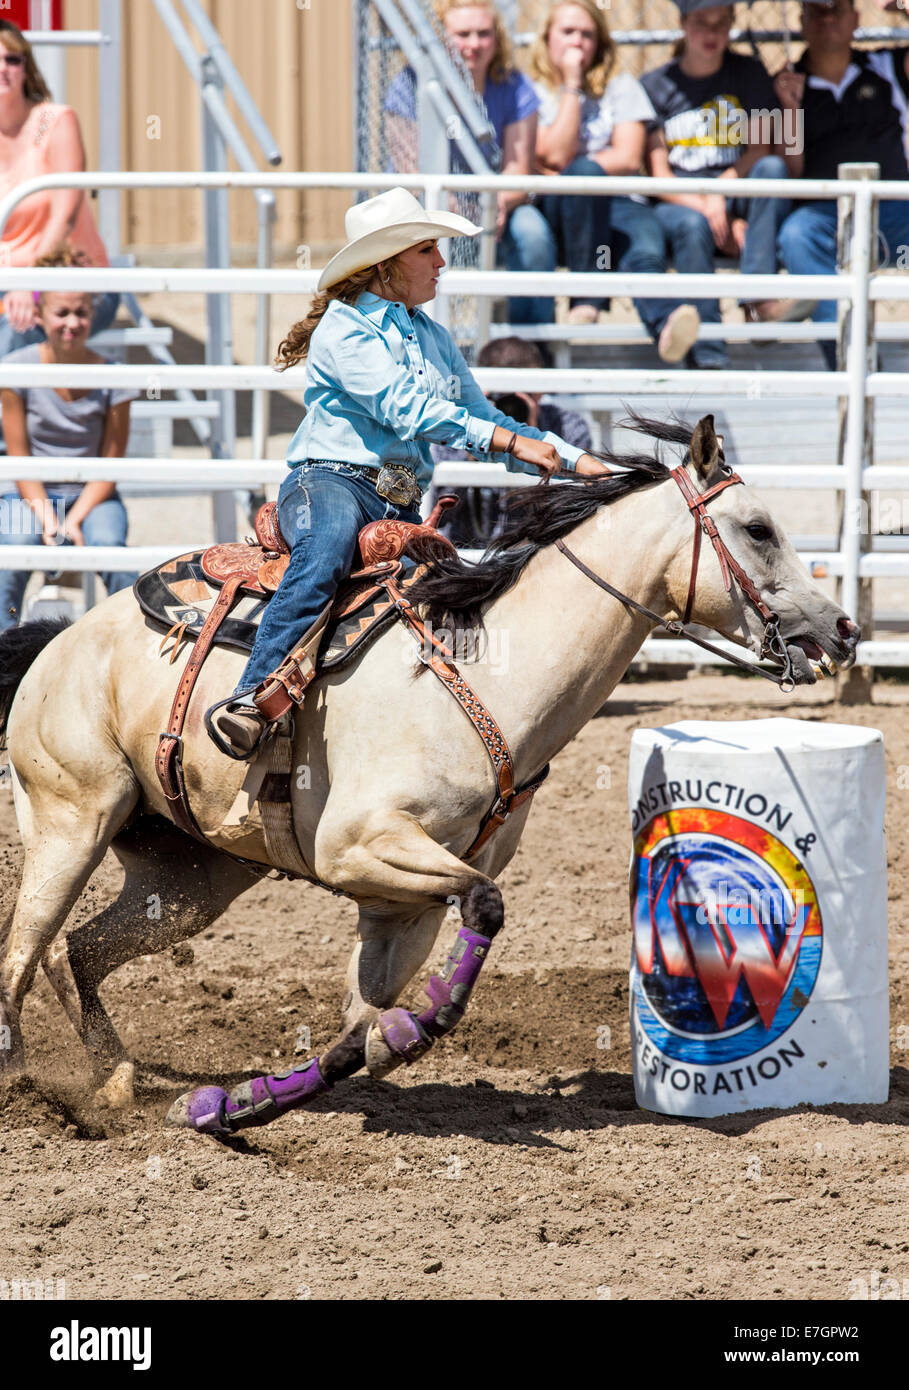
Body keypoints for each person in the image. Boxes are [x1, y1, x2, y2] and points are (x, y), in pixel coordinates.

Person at [210, 186, 609, 757]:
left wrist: (576, 461)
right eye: (427, 250)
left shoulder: (433, 337)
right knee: (324, 551)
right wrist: (506, 440)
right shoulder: (344, 330)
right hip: (328, 481)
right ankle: (251, 696)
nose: (441, 263)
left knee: (449, 593)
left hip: (398, 501)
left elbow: (479, 415)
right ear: (388, 266)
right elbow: (408, 408)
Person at [528, 0, 702, 362]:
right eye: (568, 32)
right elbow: (555, 155)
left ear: (600, 43)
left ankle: (667, 323)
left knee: (644, 247)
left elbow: (627, 157)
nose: (578, 42)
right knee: (584, 175)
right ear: (547, 39)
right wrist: (572, 86)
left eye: (587, 34)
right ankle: (587, 298)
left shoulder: (621, 87)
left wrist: (574, 168)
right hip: (562, 205)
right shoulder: (533, 92)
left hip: (619, 202)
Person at [642, 0, 799, 368]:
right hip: (681, 203)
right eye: (701, 22)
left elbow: (761, 150)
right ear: (682, 23)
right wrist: (706, 205)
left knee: (774, 170)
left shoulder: (749, 73)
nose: (712, 33)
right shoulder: (654, 85)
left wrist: (720, 195)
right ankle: (708, 353)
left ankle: (757, 299)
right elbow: (658, 177)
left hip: (736, 189)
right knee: (693, 226)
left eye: (721, 23)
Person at [384, 1, 556, 325]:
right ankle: (412, 337)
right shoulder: (410, 84)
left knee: (534, 235)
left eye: (483, 34)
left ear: (498, 38)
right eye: (462, 34)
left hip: (496, 207)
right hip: (428, 208)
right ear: (440, 38)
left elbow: (518, 169)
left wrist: (496, 205)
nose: (474, 44)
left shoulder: (514, 86)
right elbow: (412, 173)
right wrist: (452, 210)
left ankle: (528, 342)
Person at [0, 248, 137, 631]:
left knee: (112, 553)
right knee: (12, 555)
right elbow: (19, 455)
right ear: (40, 314)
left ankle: (124, 647)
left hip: (92, 495)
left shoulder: (114, 376)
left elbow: (111, 461)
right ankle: (5, 654)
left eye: (81, 312)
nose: (72, 323)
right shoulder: (16, 371)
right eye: (61, 313)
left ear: (94, 313)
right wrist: (48, 516)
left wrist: (73, 518)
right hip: (27, 493)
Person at [774, 0, 909, 364]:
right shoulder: (784, 83)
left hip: (895, 208)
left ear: (856, 19)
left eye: (837, 8)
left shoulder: (887, 66)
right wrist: (790, 109)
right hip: (825, 214)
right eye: (817, 10)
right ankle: (852, 359)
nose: (828, 18)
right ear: (801, 21)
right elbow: (790, 169)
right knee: (795, 235)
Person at [0, 19, 119, 361]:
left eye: (13, 59)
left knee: (15, 332)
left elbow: (65, 216)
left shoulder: (52, 123)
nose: (3, 68)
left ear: (27, 68)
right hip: (8, 282)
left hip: (69, 279)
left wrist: (32, 283)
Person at [429, 335, 592, 547]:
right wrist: (476, 439)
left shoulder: (567, 428)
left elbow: (571, 515)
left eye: (527, 393)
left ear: (541, 389)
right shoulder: (458, 425)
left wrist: (533, 438)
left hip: (538, 558)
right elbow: (439, 515)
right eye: (505, 395)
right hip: (468, 561)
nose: (514, 405)